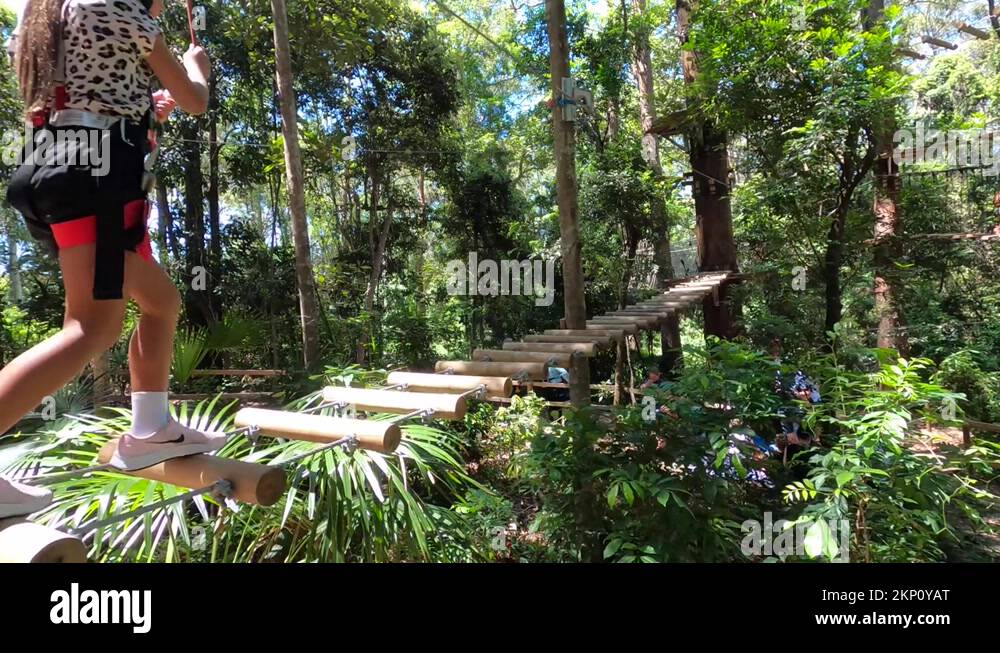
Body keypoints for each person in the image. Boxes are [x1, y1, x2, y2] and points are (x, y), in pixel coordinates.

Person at [0, 0, 222, 519]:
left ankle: (150, 427)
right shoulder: (117, 6)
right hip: (92, 180)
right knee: (91, 328)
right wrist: (196, 70)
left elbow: (85, 93)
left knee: (159, 299)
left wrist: (146, 107)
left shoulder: (49, 14)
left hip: (57, 168)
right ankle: (148, 429)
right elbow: (196, 100)